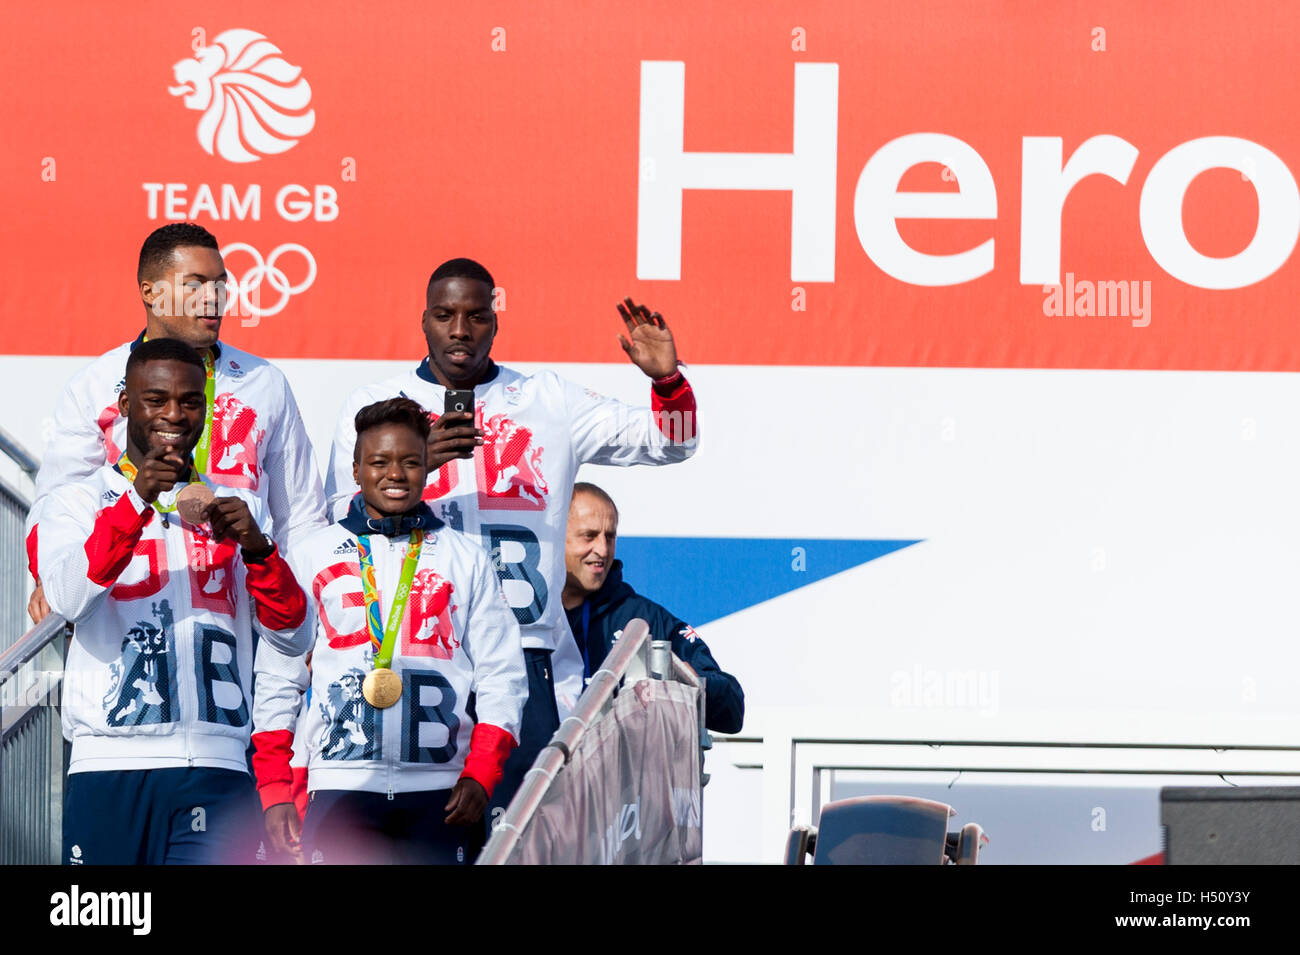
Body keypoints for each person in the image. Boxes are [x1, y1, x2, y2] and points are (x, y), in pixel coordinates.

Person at [323, 257, 699, 821]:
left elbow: (672, 442)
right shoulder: (375, 405)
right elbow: (339, 525)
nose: (459, 330)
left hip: (523, 656)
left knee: (523, 837)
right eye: (444, 315)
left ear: (495, 323)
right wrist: (417, 464)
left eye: (475, 316)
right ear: (422, 321)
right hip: (420, 654)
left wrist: (666, 380)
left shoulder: (548, 400)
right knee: (425, 837)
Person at [38, 339, 311, 865]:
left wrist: (260, 551)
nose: (174, 415)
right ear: (124, 406)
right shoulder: (76, 501)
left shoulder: (240, 505)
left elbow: (294, 635)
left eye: (190, 401)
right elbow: (67, 600)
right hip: (109, 766)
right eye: (155, 399)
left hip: (220, 766)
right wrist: (136, 501)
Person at [254, 397, 526, 864]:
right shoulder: (312, 554)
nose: (395, 474)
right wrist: (277, 788)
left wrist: (480, 773)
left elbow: (503, 676)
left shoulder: (465, 557)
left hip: (440, 796)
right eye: (379, 462)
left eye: (410, 462)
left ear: (427, 468)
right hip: (340, 788)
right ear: (356, 469)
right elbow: (279, 677)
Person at [26, 222, 327, 623]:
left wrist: (300, 610)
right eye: (196, 284)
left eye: (222, 284)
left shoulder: (264, 382)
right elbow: (55, 500)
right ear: (150, 292)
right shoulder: (95, 383)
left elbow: (300, 514)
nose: (214, 299)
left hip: (243, 611)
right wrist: (51, 574)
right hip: (130, 606)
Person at [563, 482, 744, 734]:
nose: (603, 550)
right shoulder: (524, 618)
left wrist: (690, 682)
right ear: (556, 536)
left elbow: (732, 707)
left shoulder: (645, 619)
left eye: (610, 536)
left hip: (619, 771)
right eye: (589, 536)